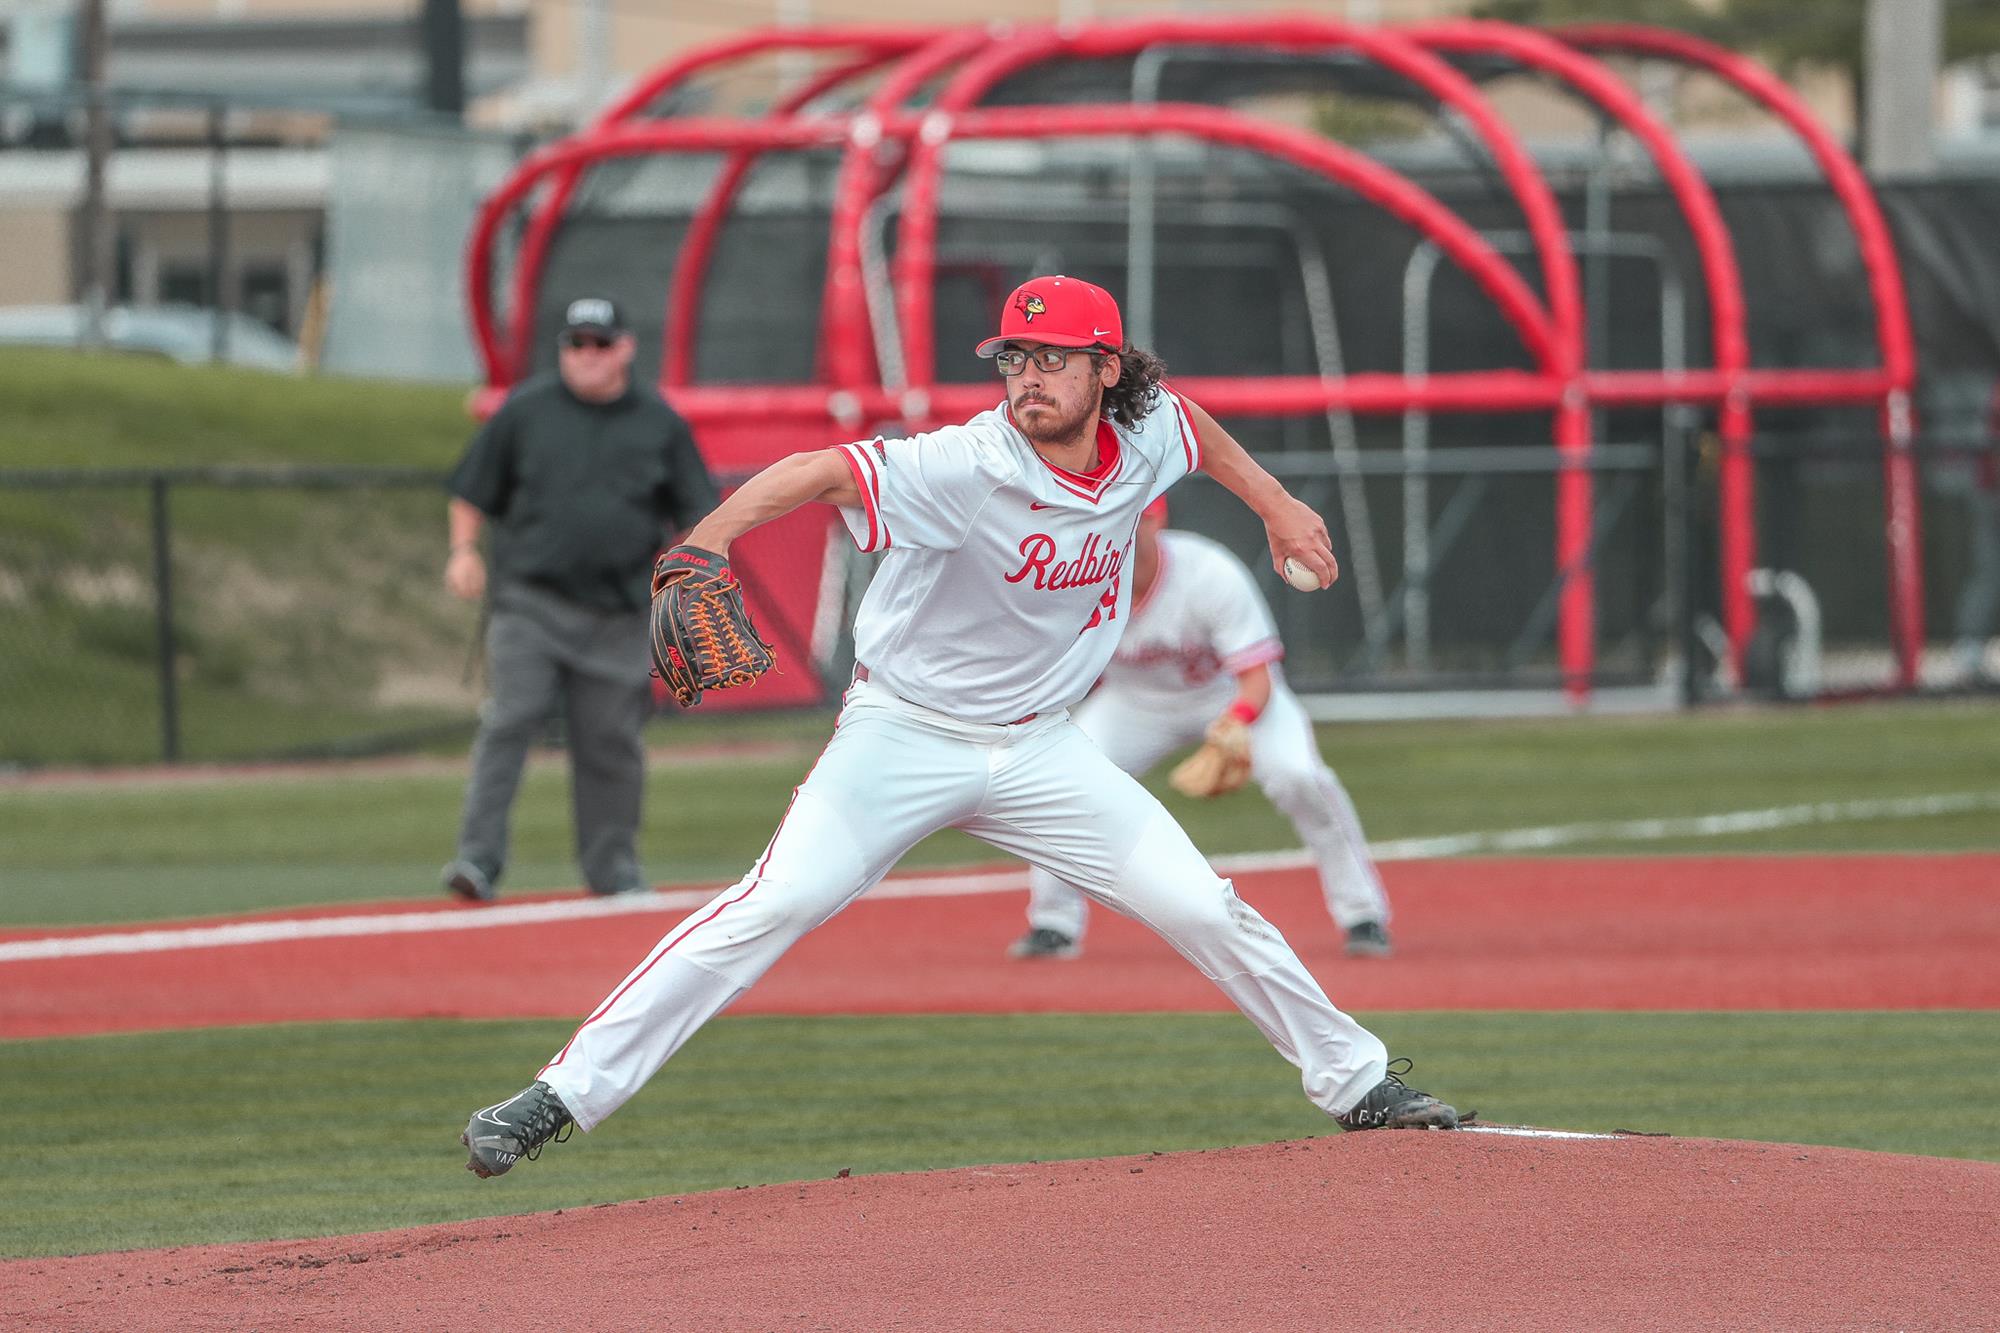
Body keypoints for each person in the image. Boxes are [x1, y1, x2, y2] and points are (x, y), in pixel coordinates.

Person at [461, 275, 1459, 1179]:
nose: (1027, 377)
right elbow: (818, 472)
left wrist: (1276, 503)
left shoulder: (1143, 429)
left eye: (1052, 358)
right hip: (902, 734)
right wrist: (702, 543)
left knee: (1201, 906)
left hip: (1040, 747)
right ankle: (559, 1094)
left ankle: (1354, 1080)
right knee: (774, 901)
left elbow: (1190, 429)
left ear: (1105, 370)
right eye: (1015, 358)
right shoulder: (964, 465)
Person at [1007, 495, 1394, 963]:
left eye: (1132, 519)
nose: (1119, 532)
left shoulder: (1209, 573)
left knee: (1300, 777)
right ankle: (1053, 923)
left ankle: (1362, 914)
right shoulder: (1076, 581)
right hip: (1136, 705)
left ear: (1156, 520)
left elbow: (1257, 677)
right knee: (1055, 778)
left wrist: (1237, 723)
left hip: (1231, 697)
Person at [440, 297, 718, 903]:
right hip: (531, 603)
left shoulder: (658, 422)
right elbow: (472, 489)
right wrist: (464, 552)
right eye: (575, 344)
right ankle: (477, 859)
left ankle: (613, 868)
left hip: (618, 612)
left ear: (625, 348)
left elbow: (699, 512)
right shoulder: (527, 411)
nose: (586, 356)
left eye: (599, 343)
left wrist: (690, 590)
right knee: (510, 719)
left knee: (610, 742)